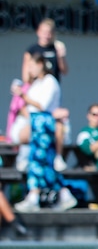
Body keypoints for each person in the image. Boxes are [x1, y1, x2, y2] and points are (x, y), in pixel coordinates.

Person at [11, 51, 72, 211]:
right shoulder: (36, 83)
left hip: (44, 124)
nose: (29, 69)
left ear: (40, 65)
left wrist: (23, 95)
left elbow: (42, 106)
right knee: (46, 161)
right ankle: (64, 193)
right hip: (36, 124)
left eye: (31, 65)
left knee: (37, 160)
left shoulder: (50, 81)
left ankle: (34, 195)